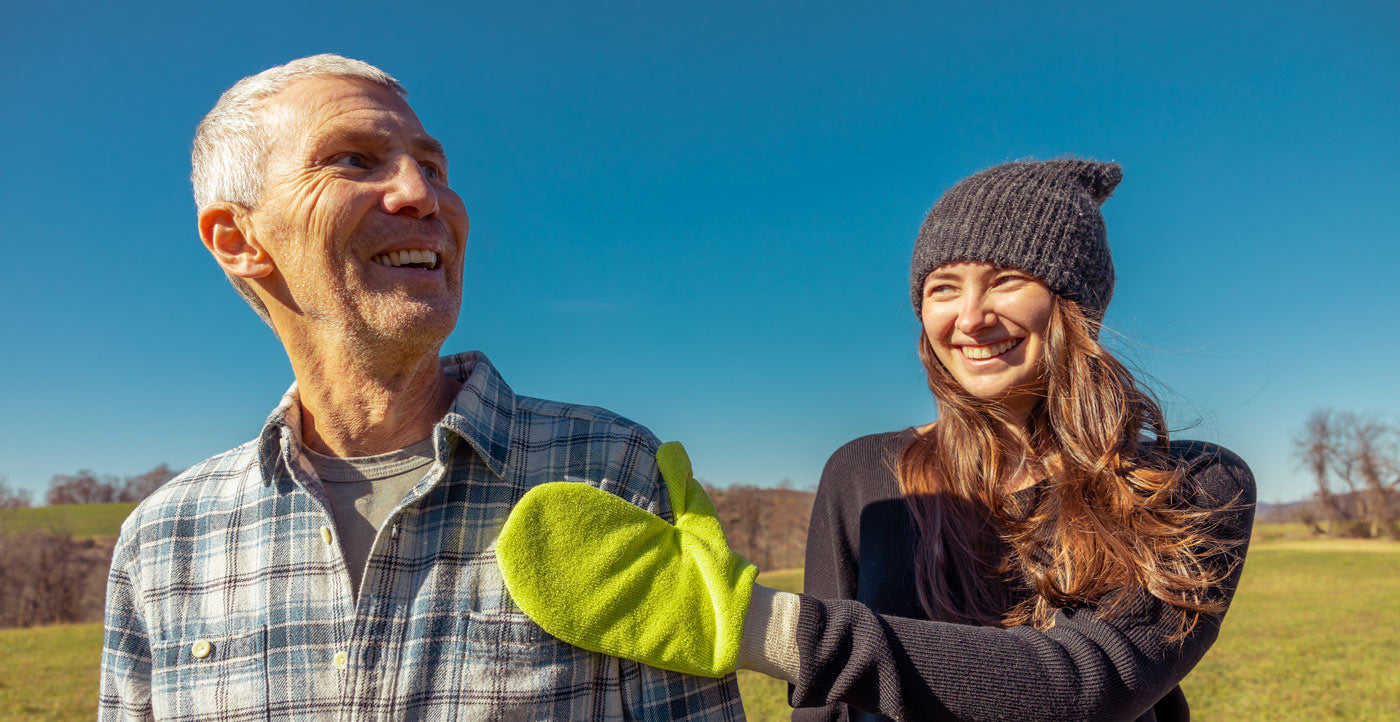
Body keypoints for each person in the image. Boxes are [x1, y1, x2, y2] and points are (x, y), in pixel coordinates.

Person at [97, 54, 744, 721]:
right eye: (353, 159)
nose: (422, 194)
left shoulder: (609, 468)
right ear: (238, 240)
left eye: (432, 168)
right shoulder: (163, 540)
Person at [495, 159, 1256, 721]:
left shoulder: (1191, 485)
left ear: (1074, 303)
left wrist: (759, 624)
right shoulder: (865, 473)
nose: (971, 315)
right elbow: (822, 708)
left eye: (1007, 280)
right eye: (942, 288)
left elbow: (1090, 681)